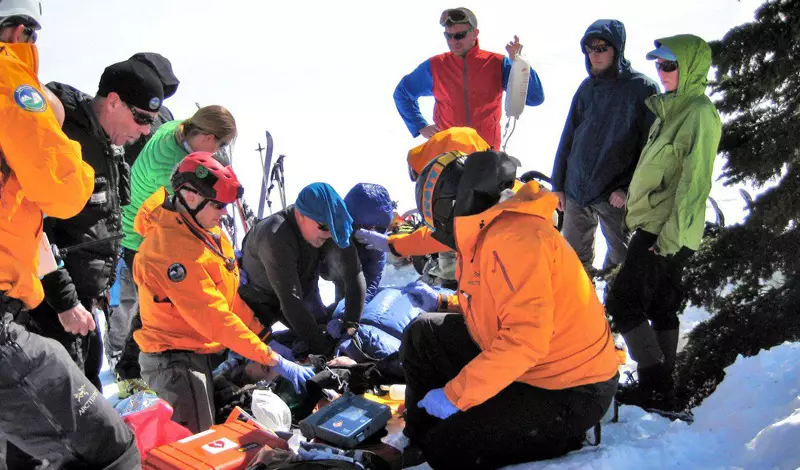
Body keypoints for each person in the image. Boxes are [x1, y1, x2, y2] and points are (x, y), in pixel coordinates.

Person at [400, 150, 619, 469]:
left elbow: (524, 342)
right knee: (424, 333)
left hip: (571, 386)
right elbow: (502, 305)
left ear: (451, 205)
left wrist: (454, 396)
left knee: (449, 449)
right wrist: (444, 302)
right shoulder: (488, 230)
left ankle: (560, 435)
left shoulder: (513, 240)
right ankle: (419, 439)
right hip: (533, 362)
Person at [0, 1, 140, 466]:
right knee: (110, 448)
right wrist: (65, 145)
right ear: (22, 32)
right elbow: (63, 194)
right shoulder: (10, 78)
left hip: (35, 304)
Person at [133, 152, 314, 433]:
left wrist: (265, 338)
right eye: (218, 204)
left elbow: (229, 302)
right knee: (192, 449)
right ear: (190, 197)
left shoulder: (207, 231)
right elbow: (215, 318)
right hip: (174, 361)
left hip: (198, 350)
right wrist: (271, 359)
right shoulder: (171, 251)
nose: (224, 212)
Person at [17, 57, 164, 391]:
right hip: (48, 307)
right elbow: (34, 226)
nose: (143, 130)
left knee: (87, 394)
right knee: (65, 410)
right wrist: (65, 300)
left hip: (82, 306)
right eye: (141, 118)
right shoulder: (61, 135)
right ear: (113, 102)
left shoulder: (107, 141)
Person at [606, 35, 721, 411]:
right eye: (659, 64)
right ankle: (664, 389)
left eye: (669, 65)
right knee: (660, 304)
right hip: (662, 224)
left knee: (623, 301)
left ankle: (655, 387)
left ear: (688, 69)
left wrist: (669, 236)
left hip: (666, 227)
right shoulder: (672, 110)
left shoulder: (699, 113)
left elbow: (695, 181)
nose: (662, 71)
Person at [113, 105, 238, 395]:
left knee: (159, 303)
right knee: (154, 306)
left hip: (144, 223)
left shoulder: (180, 127)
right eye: (220, 143)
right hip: (140, 234)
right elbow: (183, 209)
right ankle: (130, 373)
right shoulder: (170, 166)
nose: (219, 149)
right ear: (207, 136)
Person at [551, 20, 659, 276]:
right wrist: (558, 185)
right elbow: (568, 138)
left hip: (615, 195)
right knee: (574, 266)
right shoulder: (586, 88)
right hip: (577, 190)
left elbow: (650, 149)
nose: (594, 55)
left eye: (601, 48)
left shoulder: (642, 89)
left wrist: (628, 188)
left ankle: (619, 314)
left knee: (623, 266)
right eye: (589, 49)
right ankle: (579, 315)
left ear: (617, 50)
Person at [105, 51, 180, 390]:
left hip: (142, 222)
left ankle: (124, 358)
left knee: (138, 296)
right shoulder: (148, 117)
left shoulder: (160, 121)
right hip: (128, 222)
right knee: (130, 296)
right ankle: (122, 357)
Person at [239, 183, 365, 357]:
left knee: (324, 330)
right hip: (259, 301)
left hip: (303, 287)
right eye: (324, 227)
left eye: (332, 230)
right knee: (249, 355)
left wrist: (351, 325)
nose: (328, 234)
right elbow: (291, 303)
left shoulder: (328, 227)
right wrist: (325, 351)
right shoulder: (275, 234)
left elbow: (354, 274)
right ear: (301, 214)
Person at [394, 7, 544, 149]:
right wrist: (420, 126)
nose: (453, 41)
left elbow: (534, 98)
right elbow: (402, 93)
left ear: (475, 33)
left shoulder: (497, 63)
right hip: (447, 156)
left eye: (460, 35)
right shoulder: (435, 66)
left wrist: (518, 63)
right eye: (448, 36)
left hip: (486, 155)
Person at [323, 183, 393, 306]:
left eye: (378, 228)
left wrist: (356, 310)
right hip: (331, 271)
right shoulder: (328, 233)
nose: (371, 231)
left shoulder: (376, 244)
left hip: (353, 276)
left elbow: (371, 279)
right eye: (365, 226)